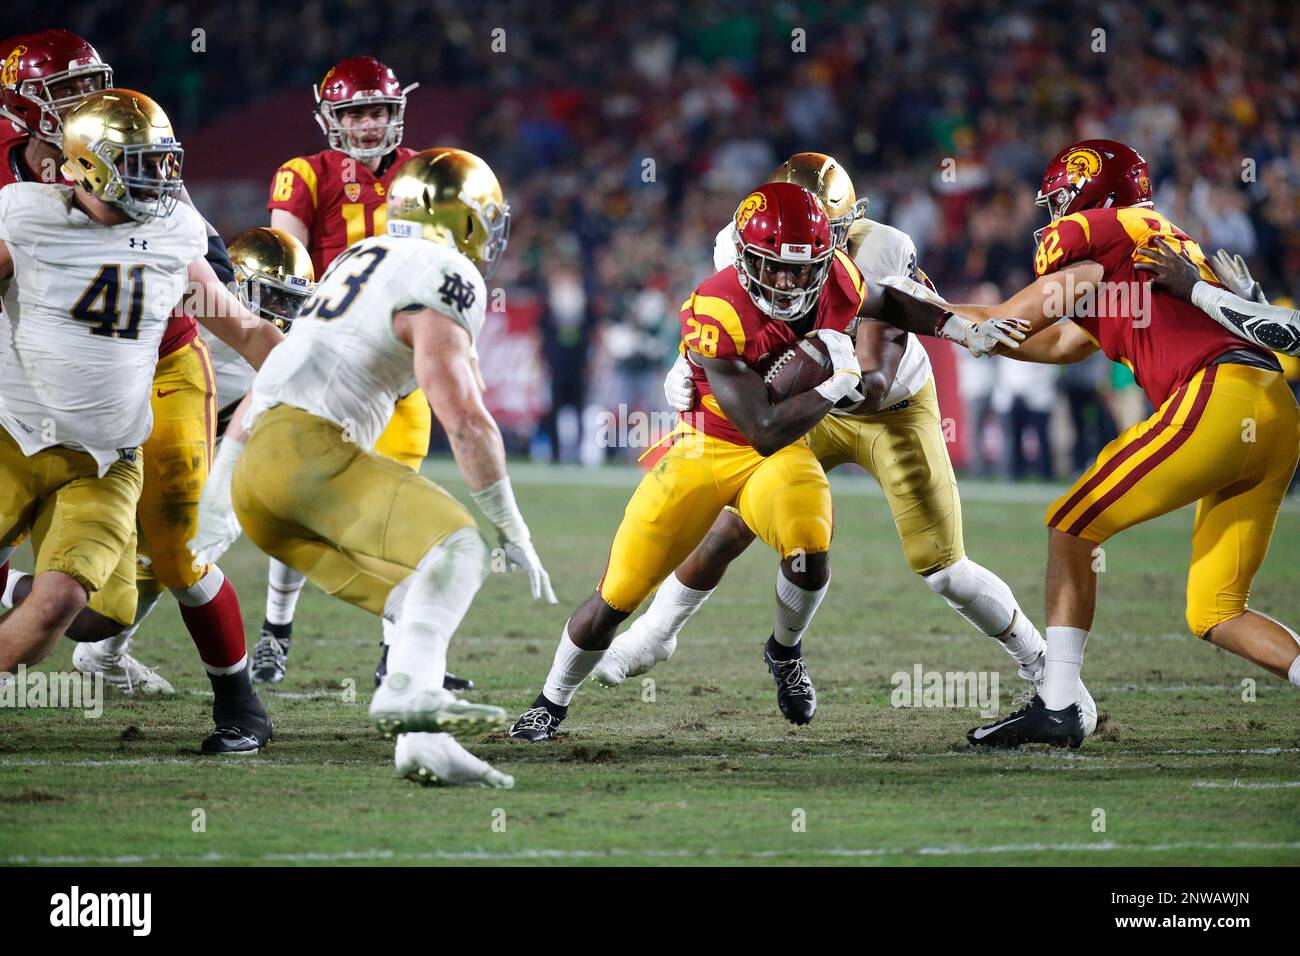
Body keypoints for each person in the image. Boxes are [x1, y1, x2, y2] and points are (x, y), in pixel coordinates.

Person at [195, 148, 554, 786]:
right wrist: (512, 527)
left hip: (260, 485)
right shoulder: (445, 271)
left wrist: (223, 499)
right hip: (308, 452)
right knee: (460, 550)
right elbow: (465, 418)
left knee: (415, 597)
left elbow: (265, 384)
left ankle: (422, 741)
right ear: (464, 220)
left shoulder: (353, 260)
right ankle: (402, 698)